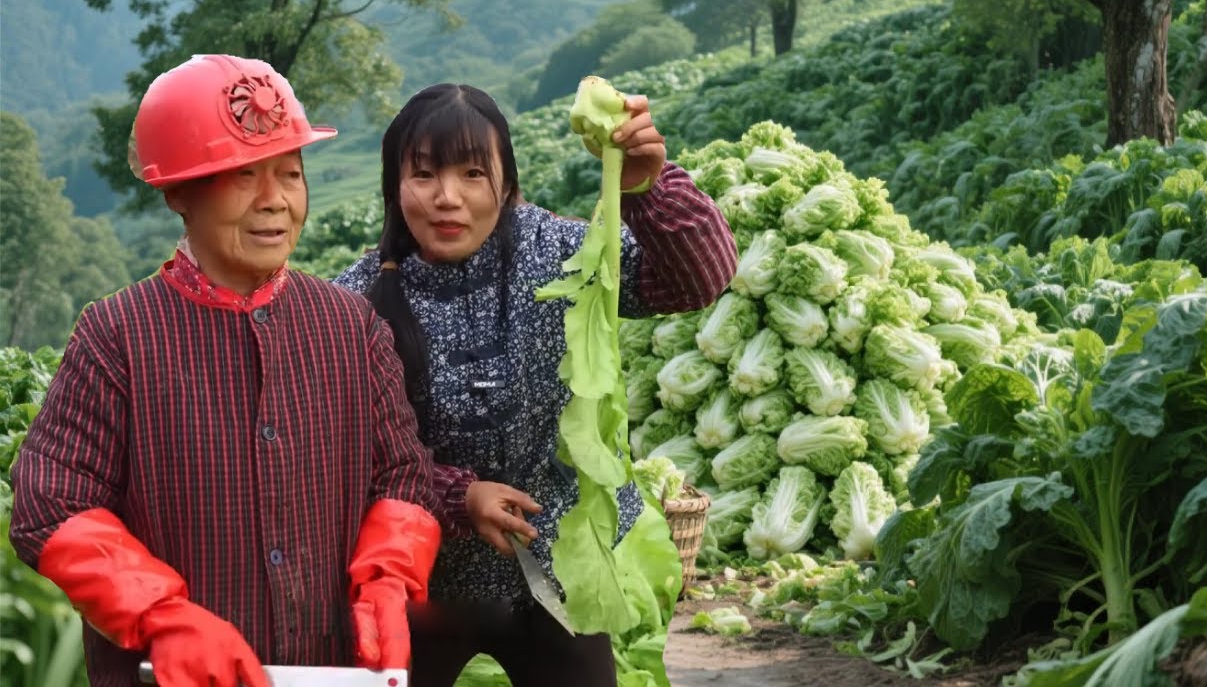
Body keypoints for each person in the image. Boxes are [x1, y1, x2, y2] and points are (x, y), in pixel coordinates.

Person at [7, 54, 455, 687]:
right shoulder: (117, 336)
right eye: (243, 175)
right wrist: (162, 616)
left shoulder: (350, 328)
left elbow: (403, 477)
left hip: (326, 670)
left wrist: (387, 577)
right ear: (178, 193)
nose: (275, 201)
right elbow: (53, 505)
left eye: (291, 174)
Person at [332, 82, 738, 686]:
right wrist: (455, 495)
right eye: (423, 175)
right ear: (395, 186)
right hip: (422, 581)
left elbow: (696, 280)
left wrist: (651, 188)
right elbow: (350, 447)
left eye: (473, 173)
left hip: (559, 567)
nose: (448, 198)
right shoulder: (355, 300)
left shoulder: (555, 250)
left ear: (507, 181)